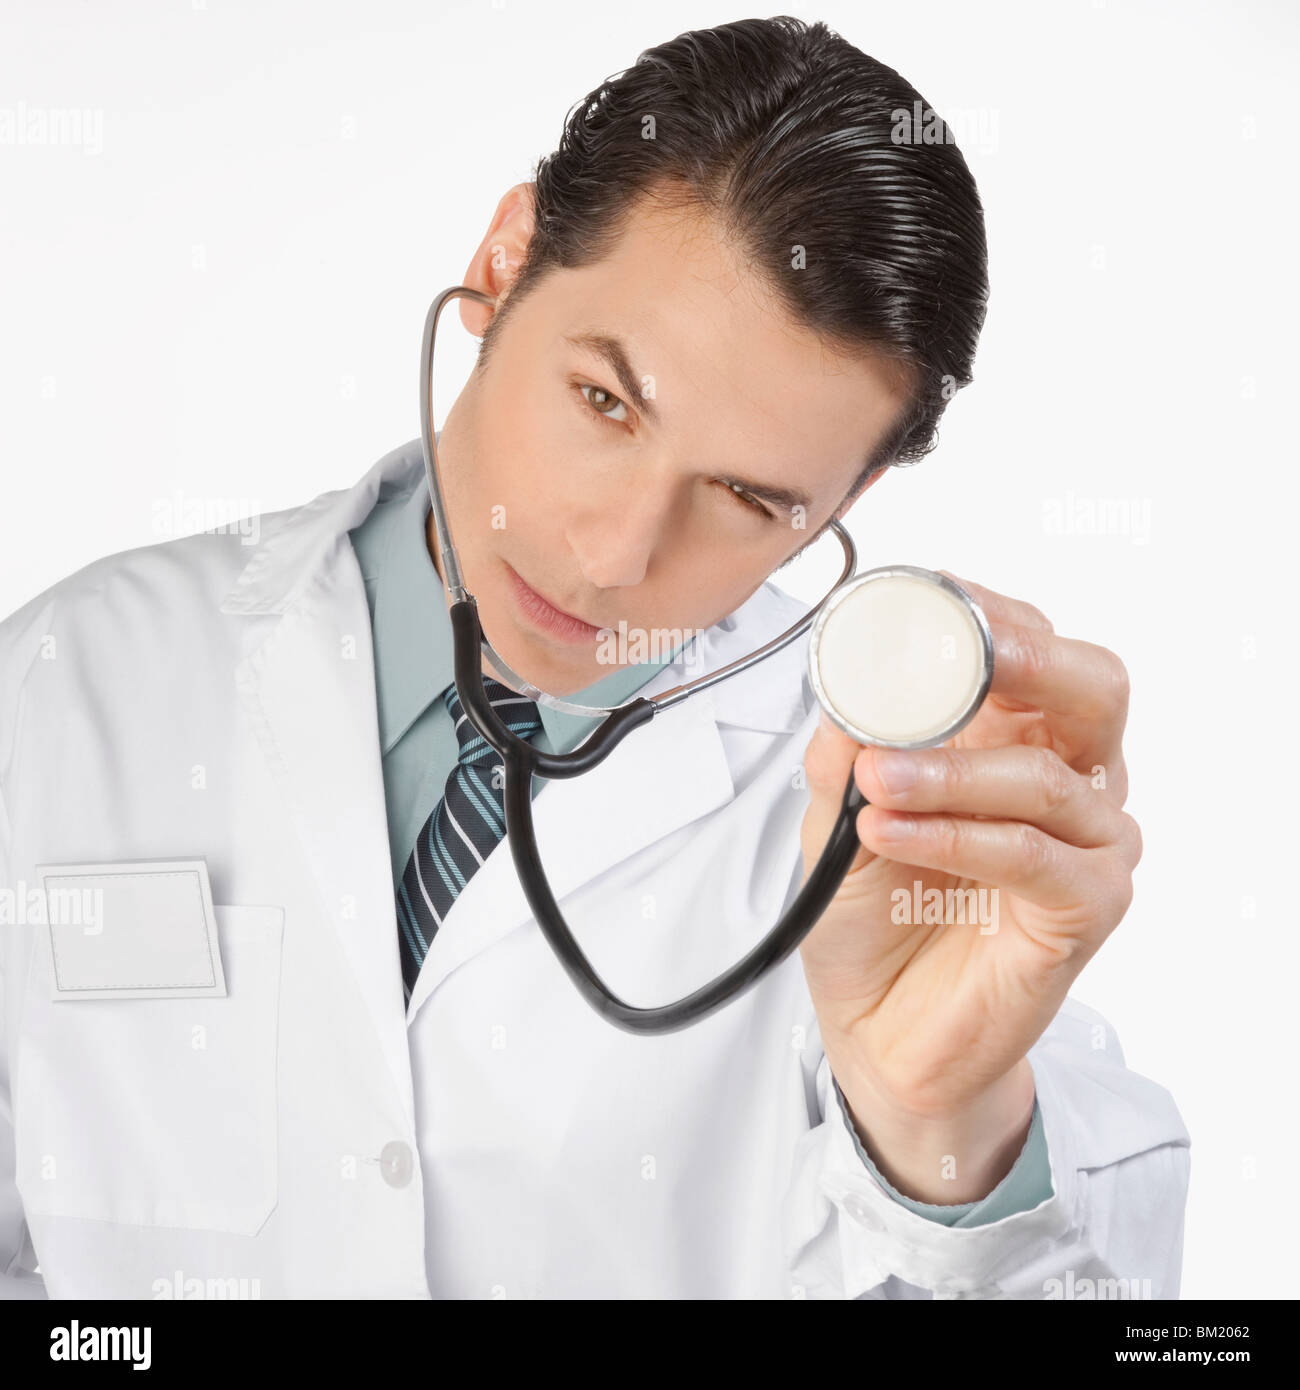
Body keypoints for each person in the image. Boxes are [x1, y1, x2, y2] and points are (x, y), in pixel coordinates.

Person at [0, 16, 1188, 1299]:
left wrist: (935, 1134)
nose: (617, 556)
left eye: (747, 496)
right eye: (604, 402)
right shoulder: (77, 681)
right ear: (503, 264)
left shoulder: (893, 839)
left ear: (850, 500)